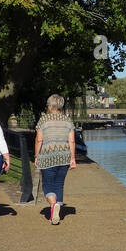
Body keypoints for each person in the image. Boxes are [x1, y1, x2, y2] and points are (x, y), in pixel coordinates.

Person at [33, 94, 78, 225]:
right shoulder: (68, 121)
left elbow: (39, 140)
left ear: (51, 106)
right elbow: (72, 140)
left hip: (47, 156)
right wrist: (73, 158)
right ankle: (57, 209)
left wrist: (36, 156)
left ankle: (53, 205)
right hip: (64, 156)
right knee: (59, 184)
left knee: (47, 184)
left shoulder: (43, 120)